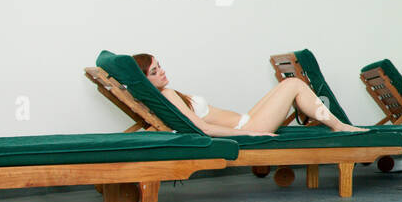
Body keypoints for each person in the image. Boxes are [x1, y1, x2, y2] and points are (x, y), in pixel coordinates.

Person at [133, 53, 363, 136]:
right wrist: (252, 136)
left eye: (159, 65)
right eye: (154, 71)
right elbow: (204, 129)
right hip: (247, 127)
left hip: (245, 120)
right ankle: (338, 125)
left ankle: (336, 124)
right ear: (145, 80)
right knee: (293, 83)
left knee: (291, 85)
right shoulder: (169, 96)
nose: (162, 71)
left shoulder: (165, 96)